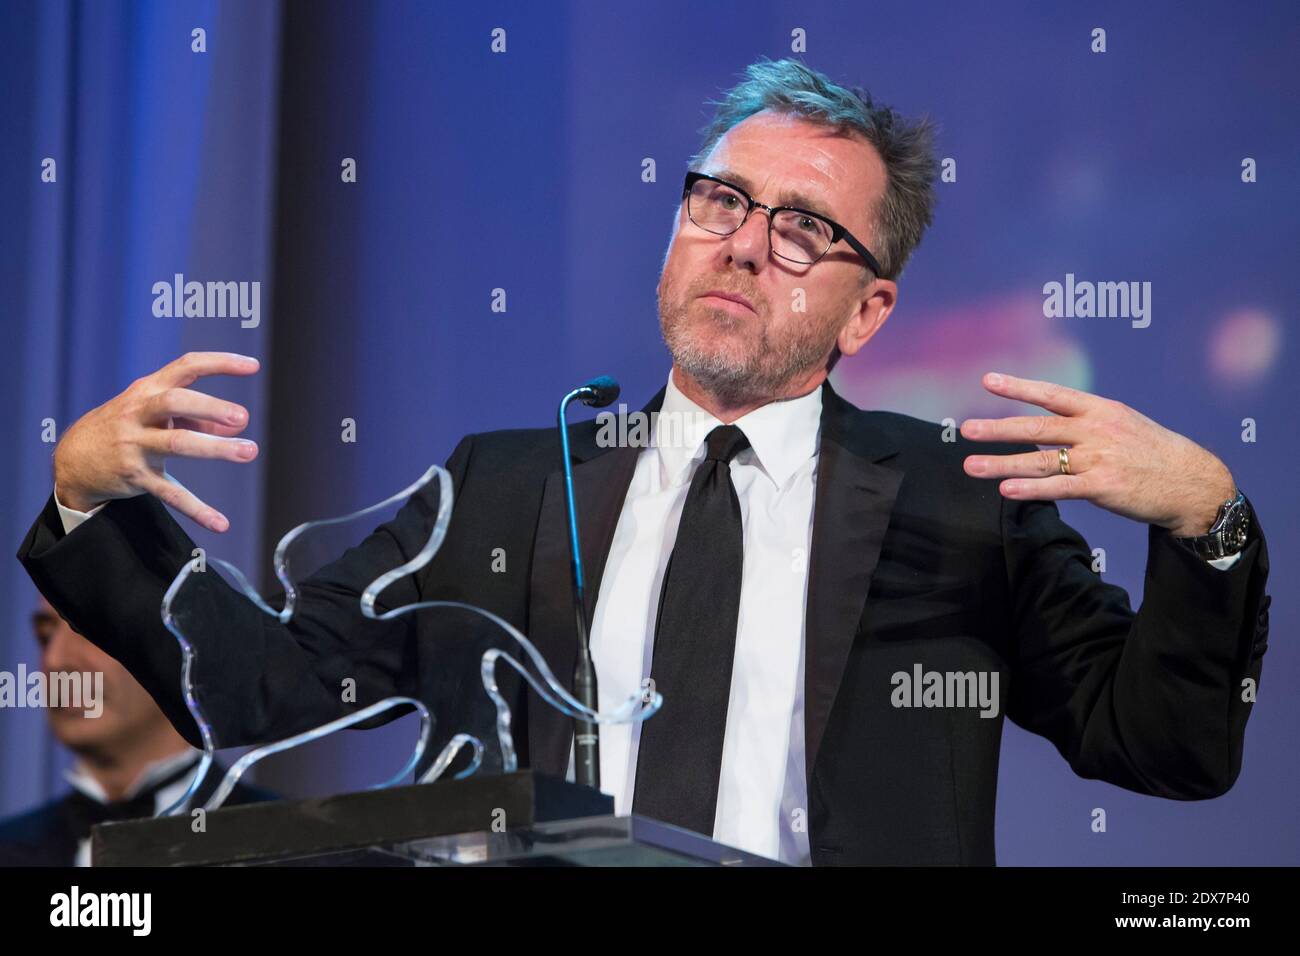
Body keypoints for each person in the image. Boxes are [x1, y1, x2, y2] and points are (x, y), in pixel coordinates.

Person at [18, 59, 1269, 865]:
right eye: (717, 201)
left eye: (802, 230)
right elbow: (271, 694)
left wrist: (1205, 525)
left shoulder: (955, 505)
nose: (740, 245)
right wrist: (86, 499)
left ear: (868, 312)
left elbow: (1160, 746)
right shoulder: (507, 486)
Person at [0, 597, 273, 866]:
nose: (55, 660)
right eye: (45, 635)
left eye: (86, 629)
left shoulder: (290, 843)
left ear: (182, 645)